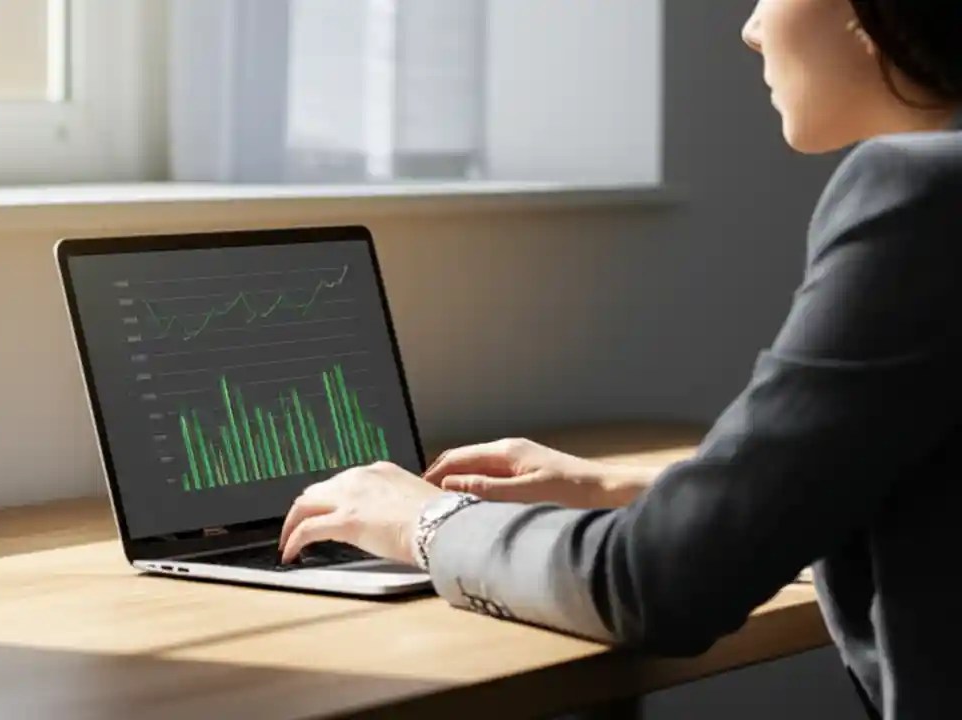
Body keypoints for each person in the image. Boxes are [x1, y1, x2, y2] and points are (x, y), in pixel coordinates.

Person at [278, 1, 962, 717]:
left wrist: (424, 522)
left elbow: (660, 585)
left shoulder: (920, 195)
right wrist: (621, 486)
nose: (751, 27)